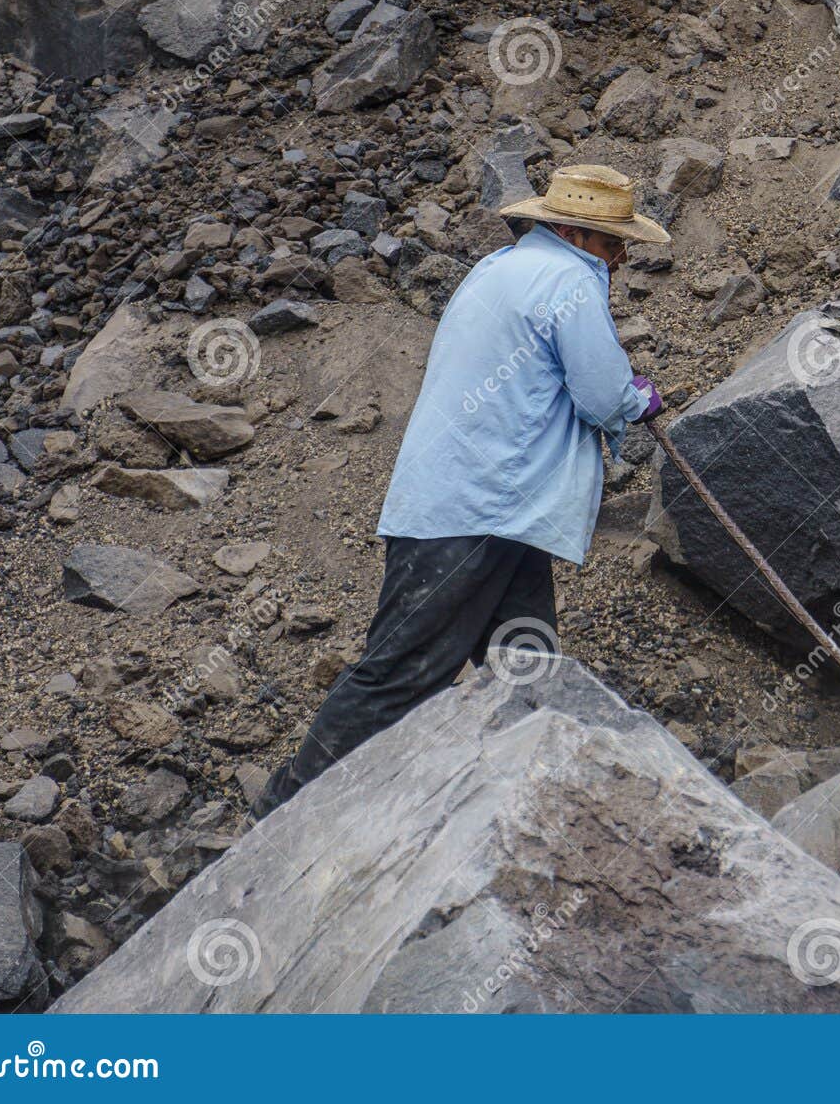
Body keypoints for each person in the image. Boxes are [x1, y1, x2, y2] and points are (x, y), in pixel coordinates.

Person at [254, 165, 669, 818]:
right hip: (480, 506)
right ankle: (285, 809)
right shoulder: (569, 280)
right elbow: (597, 390)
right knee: (401, 668)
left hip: (481, 504)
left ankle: (523, 808)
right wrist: (632, 397)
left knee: (525, 662)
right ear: (572, 231)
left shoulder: (497, 268)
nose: (621, 257)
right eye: (613, 242)